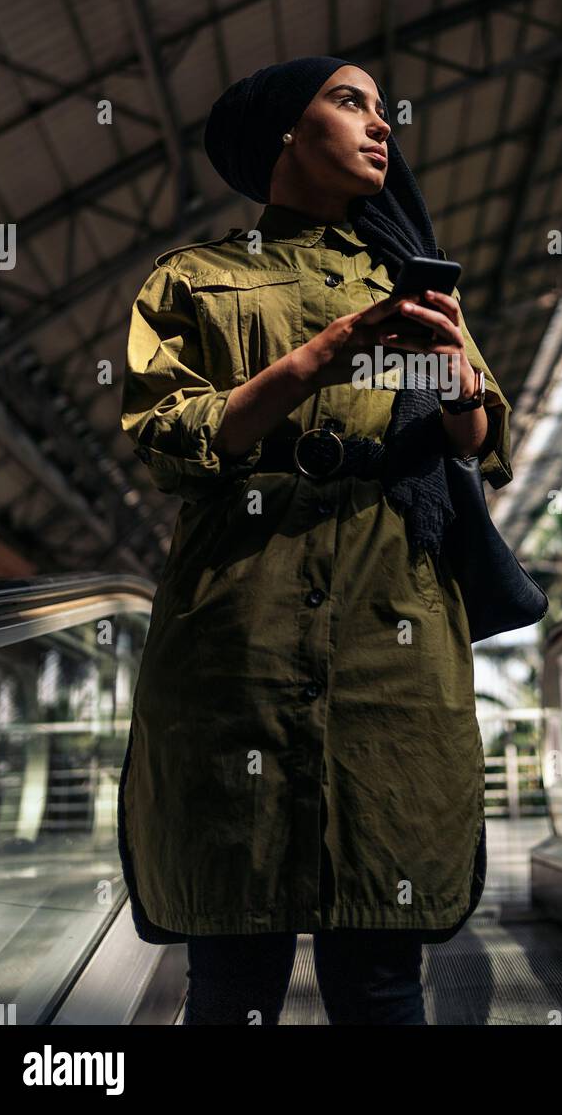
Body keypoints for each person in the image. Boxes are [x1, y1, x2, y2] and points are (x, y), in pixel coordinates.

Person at [117, 56, 514, 1025]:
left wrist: (451, 362)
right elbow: (169, 435)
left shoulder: (413, 286)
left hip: (396, 629)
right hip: (235, 635)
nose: (381, 126)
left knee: (382, 968)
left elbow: (478, 443)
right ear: (284, 135)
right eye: (349, 103)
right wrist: (327, 351)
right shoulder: (192, 280)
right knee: (232, 970)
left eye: (383, 110)